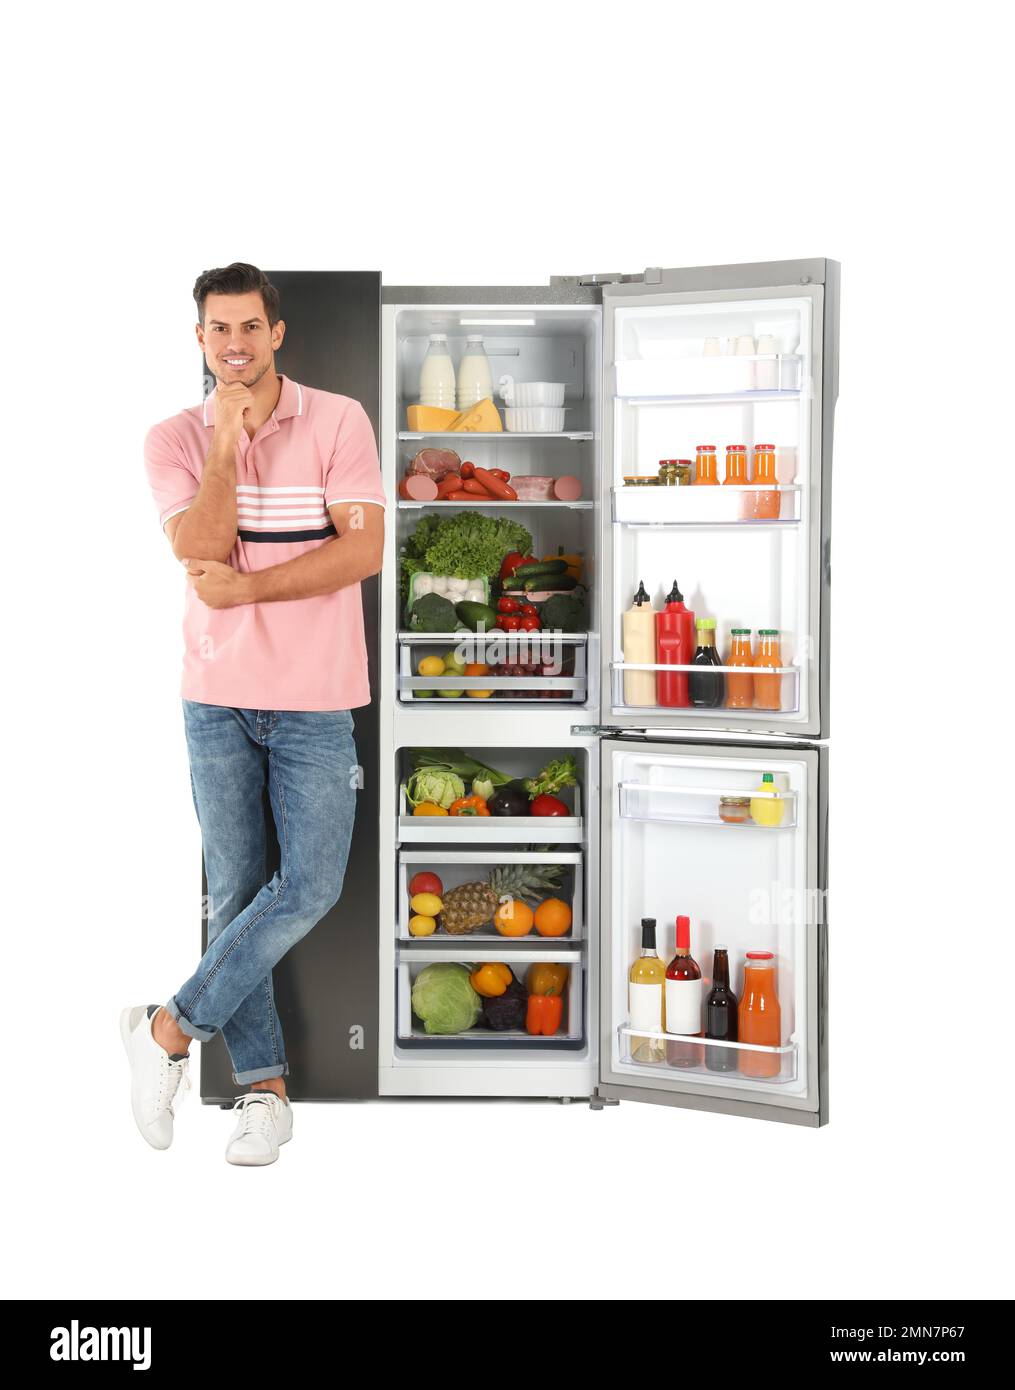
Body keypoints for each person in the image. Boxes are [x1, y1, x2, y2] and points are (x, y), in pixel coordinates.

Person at [121, 262, 385, 1166]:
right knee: (234, 895)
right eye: (215, 330)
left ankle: (165, 1027)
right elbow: (193, 548)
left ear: (277, 333)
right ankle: (264, 1093)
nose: (233, 345)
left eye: (248, 328)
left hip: (314, 698)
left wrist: (250, 587)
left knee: (308, 887)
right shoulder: (173, 439)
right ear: (199, 341)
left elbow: (362, 551)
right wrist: (228, 445)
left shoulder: (339, 419)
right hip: (217, 698)